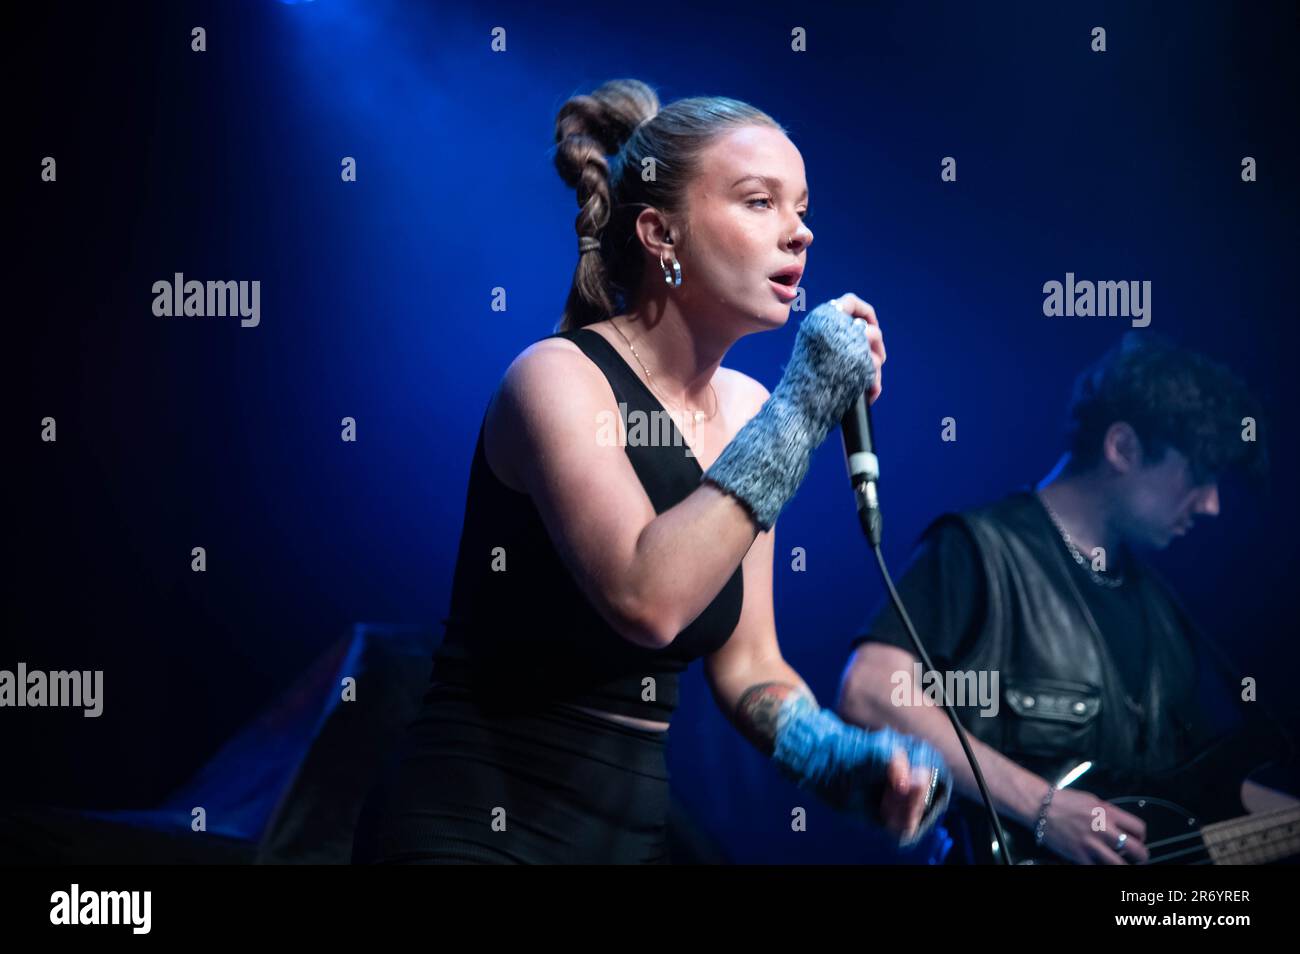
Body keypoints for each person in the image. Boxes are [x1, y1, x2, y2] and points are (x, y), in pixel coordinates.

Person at [351, 79, 951, 864]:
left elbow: (751, 668)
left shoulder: (748, 410)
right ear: (659, 233)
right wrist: (803, 408)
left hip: (626, 838)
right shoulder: (557, 379)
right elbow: (647, 598)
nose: (799, 233)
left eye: (801, 207)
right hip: (474, 830)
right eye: (759, 202)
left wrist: (848, 762)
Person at [836, 332, 1298, 864]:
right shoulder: (982, 550)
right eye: (1197, 474)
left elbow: (1198, 792)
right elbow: (869, 689)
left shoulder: (1164, 613)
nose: (1213, 504)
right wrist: (1042, 807)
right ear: (1122, 447)